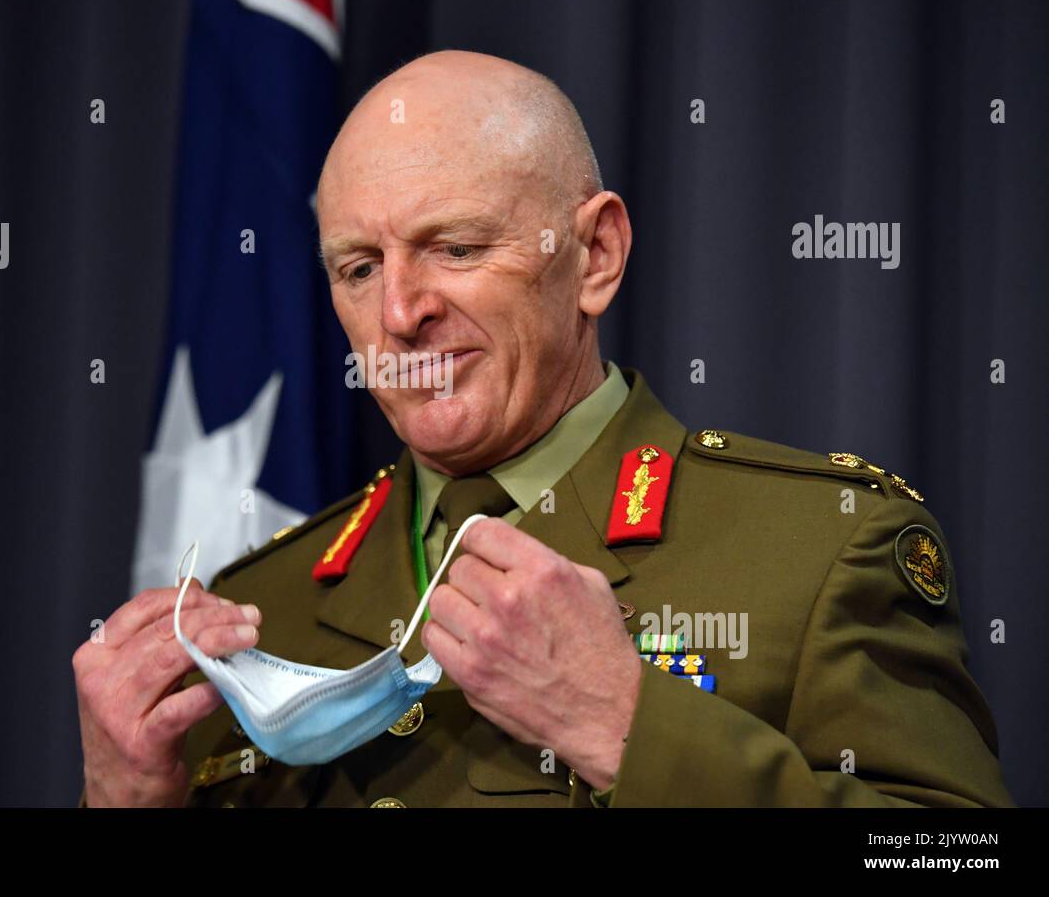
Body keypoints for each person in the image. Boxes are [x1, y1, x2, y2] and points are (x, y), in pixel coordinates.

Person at [73, 50, 1013, 807]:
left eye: (456, 247)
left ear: (594, 256)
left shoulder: (825, 548)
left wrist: (628, 725)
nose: (400, 312)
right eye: (358, 268)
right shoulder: (256, 608)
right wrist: (121, 801)